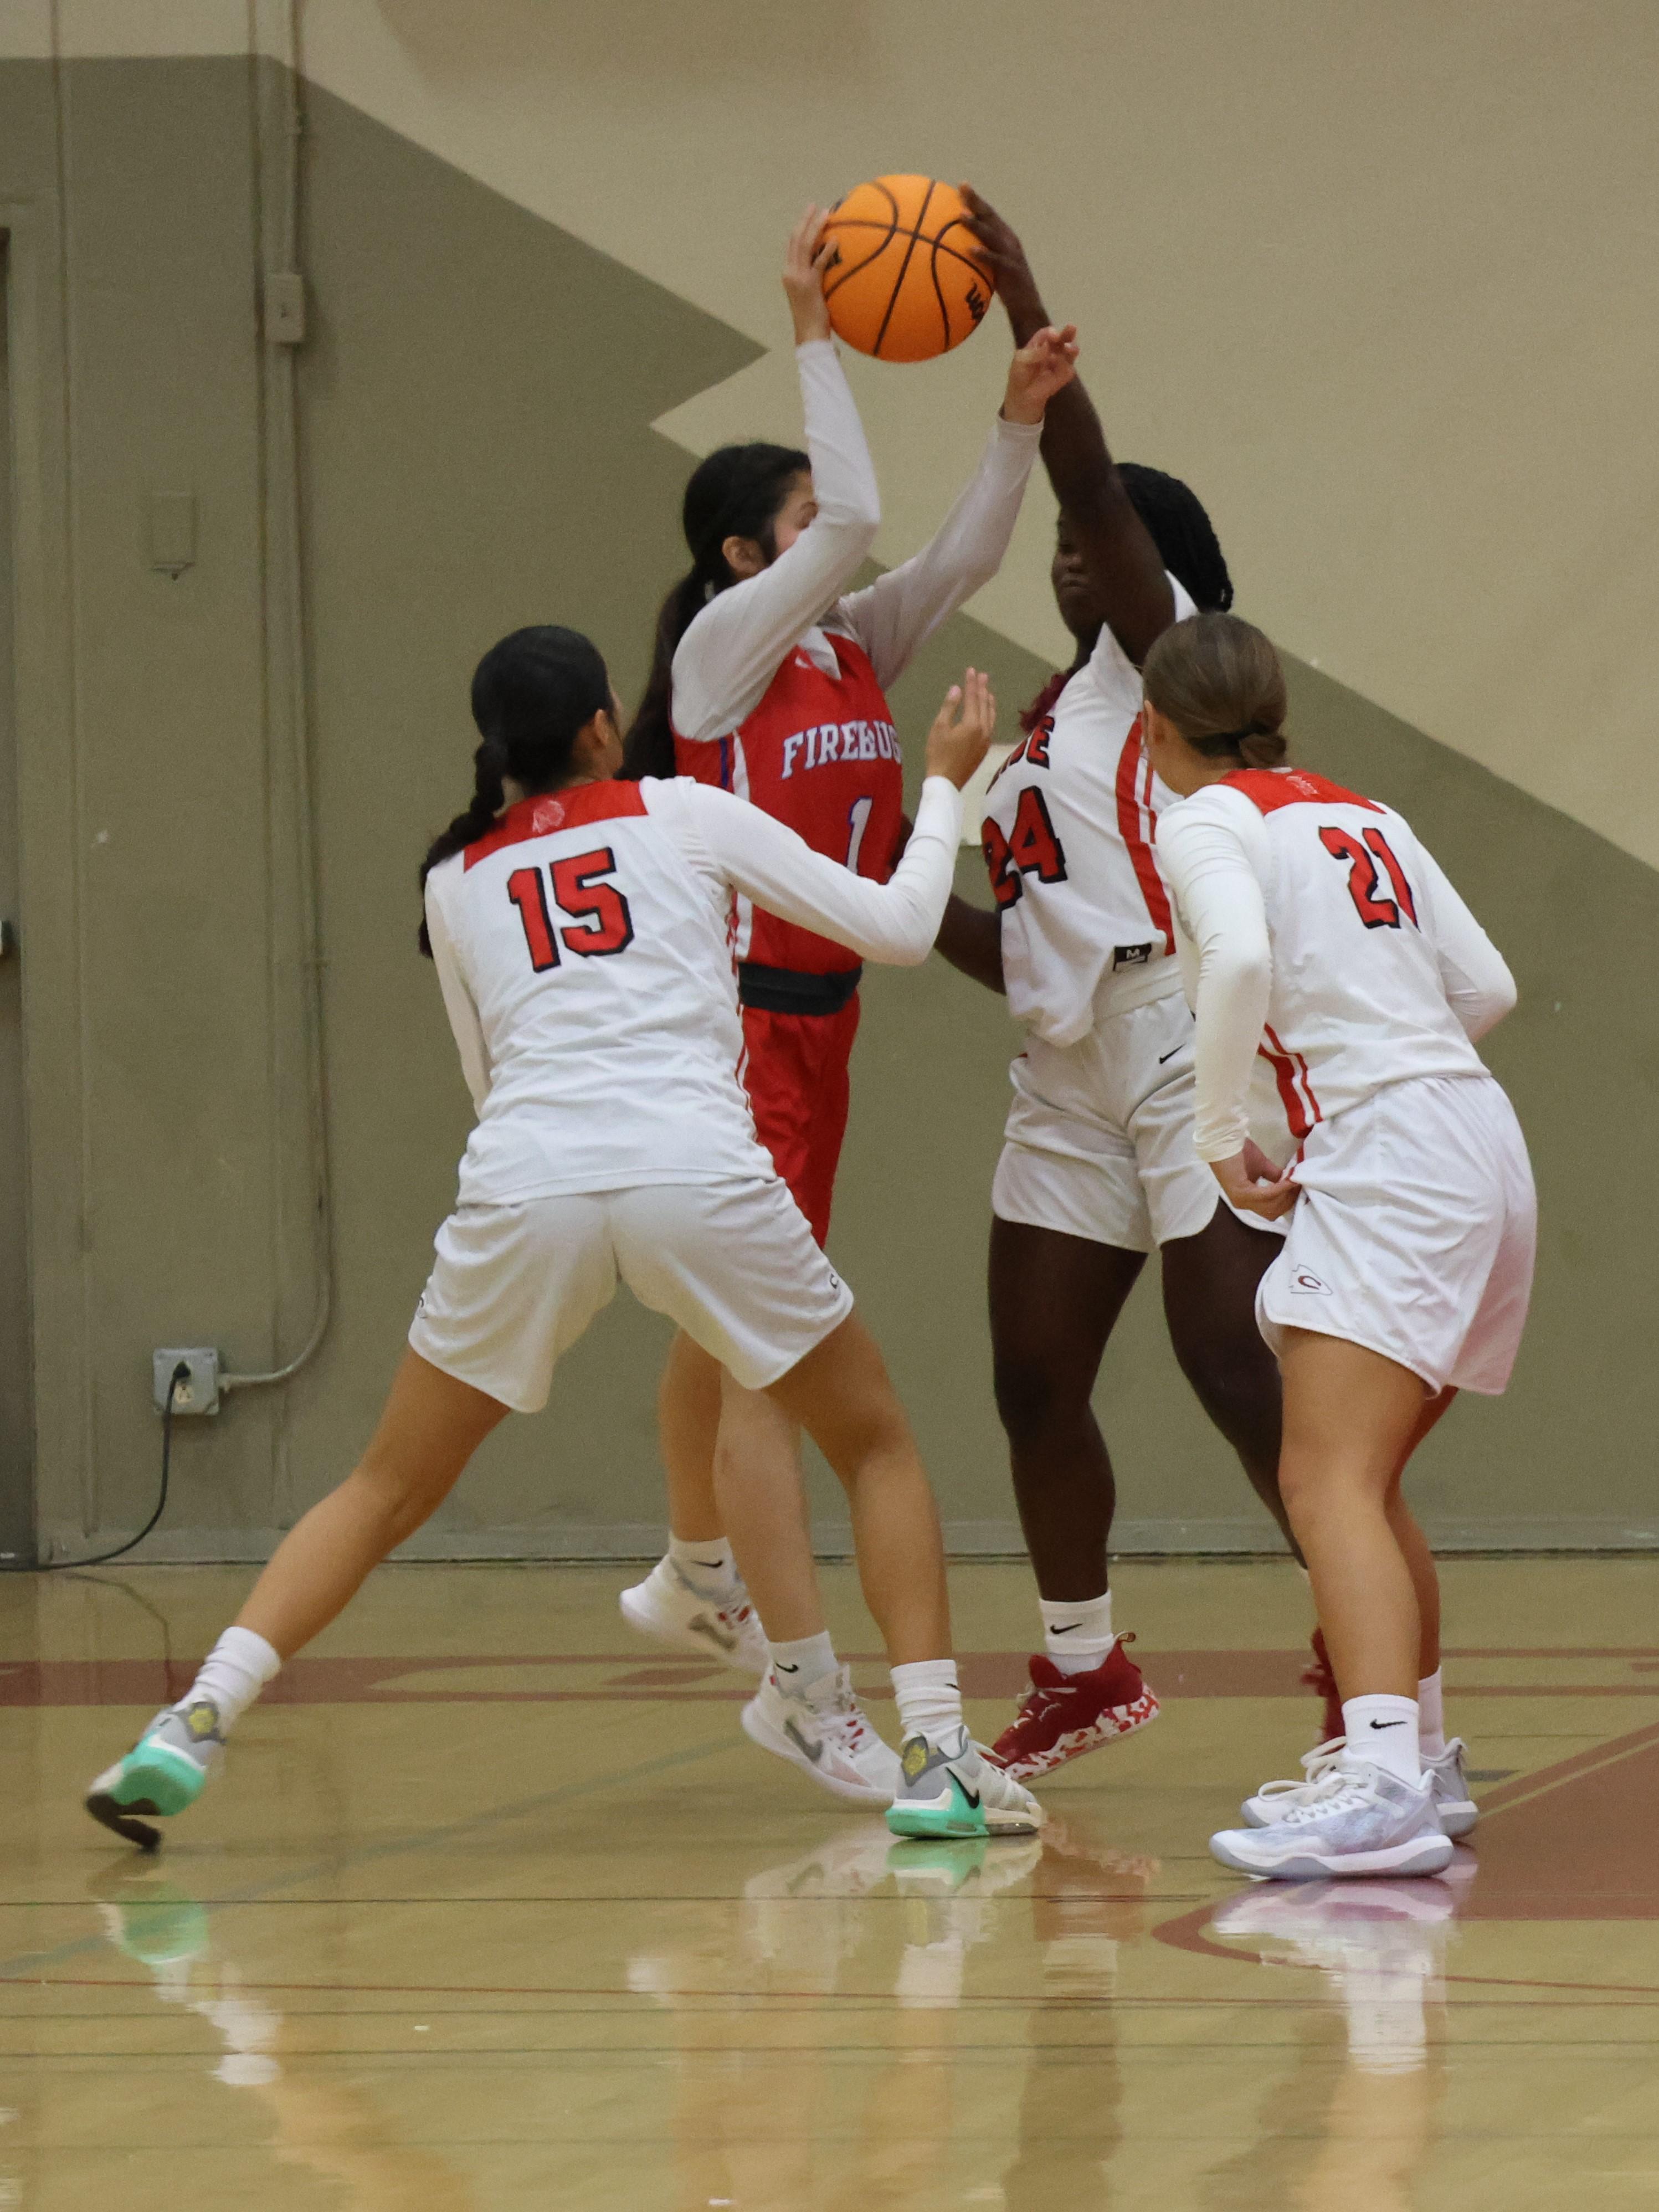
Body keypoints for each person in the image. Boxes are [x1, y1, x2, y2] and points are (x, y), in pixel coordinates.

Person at [85, 627, 1041, 1850]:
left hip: (526, 1180)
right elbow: (900, 929)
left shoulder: (455, 879)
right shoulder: (682, 811)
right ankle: (938, 1755)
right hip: (694, 1168)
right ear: (603, 726)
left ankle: (191, 1720)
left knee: (384, 1486)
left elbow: (489, 1081)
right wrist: (947, 775)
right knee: (875, 1444)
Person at [618, 204, 1077, 1780]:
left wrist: (1012, 429)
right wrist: (812, 324)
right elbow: (866, 510)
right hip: (742, 1023)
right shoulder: (722, 664)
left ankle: (688, 1567)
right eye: (804, 523)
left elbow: (953, 552)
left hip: (823, 1031)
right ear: (746, 554)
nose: (841, 538)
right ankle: (797, 1686)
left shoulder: (831, 651)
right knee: (768, 1355)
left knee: (728, 1323)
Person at [932, 190, 1296, 1784]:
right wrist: (880, 871)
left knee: (1228, 1357)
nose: (1070, 557)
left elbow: (1088, 478)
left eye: (1093, 542)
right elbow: (1009, 950)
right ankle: (1082, 1667)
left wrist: (1021, 304)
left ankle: (1368, 1630)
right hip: (1064, 1062)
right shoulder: (1036, 733)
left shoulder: (1173, 658)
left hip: (1182, 1036)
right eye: (1070, 549)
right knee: (1029, 1376)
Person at [1146, 610, 1532, 1879]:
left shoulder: (1204, 818)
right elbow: (1488, 991)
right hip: (1477, 1138)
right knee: (1361, 1476)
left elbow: (1244, 954)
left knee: (1322, 1480)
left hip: (1394, 1154)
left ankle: (1376, 1784)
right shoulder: (1365, 814)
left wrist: (1217, 1129)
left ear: (1156, 734)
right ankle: (1413, 1753)